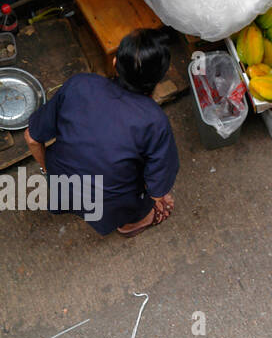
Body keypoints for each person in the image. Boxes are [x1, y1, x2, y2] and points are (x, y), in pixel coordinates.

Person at [24, 27, 178, 237]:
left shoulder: (80, 84)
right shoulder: (154, 121)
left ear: (115, 63)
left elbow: (32, 138)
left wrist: (49, 173)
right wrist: (157, 198)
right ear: (159, 78)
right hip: (107, 205)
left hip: (62, 185)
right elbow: (158, 187)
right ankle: (130, 224)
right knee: (140, 195)